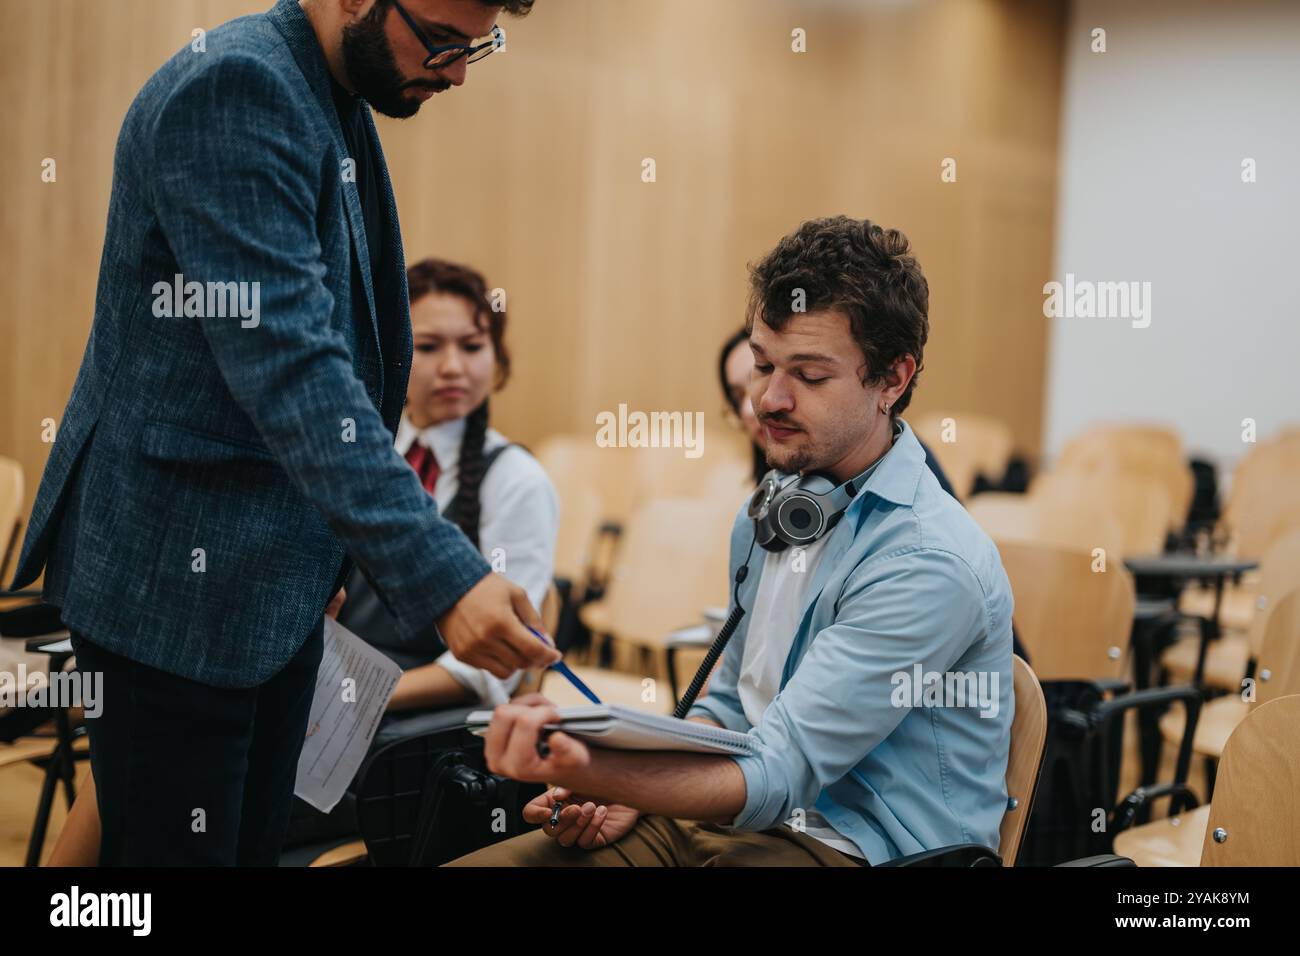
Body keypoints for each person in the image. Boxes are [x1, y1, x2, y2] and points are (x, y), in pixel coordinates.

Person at [8, 0, 557, 867]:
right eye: (445, 41)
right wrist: (447, 581)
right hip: (178, 586)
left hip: (267, 582)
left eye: (476, 48)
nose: (455, 71)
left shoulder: (326, 91)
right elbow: (292, 365)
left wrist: (323, 558)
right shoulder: (237, 88)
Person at [449, 216, 1015, 866]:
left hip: (858, 848)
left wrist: (601, 770)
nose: (767, 399)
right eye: (764, 364)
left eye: (810, 375)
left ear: (891, 380)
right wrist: (644, 789)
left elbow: (780, 770)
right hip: (741, 817)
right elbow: (728, 704)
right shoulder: (778, 505)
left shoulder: (926, 561)